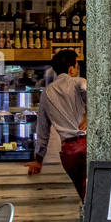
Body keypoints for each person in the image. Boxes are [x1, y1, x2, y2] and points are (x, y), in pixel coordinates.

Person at [27, 49, 89, 200]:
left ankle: (87, 220)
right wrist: (89, 115)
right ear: (71, 69)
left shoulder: (47, 92)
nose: (77, 70)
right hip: (86, 145)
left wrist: (38, 159)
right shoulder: (78, 81)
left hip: (68, 152)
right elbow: (94, 94)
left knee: (85, 196)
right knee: (96, 195)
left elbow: (42, 129)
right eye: (77, 66)